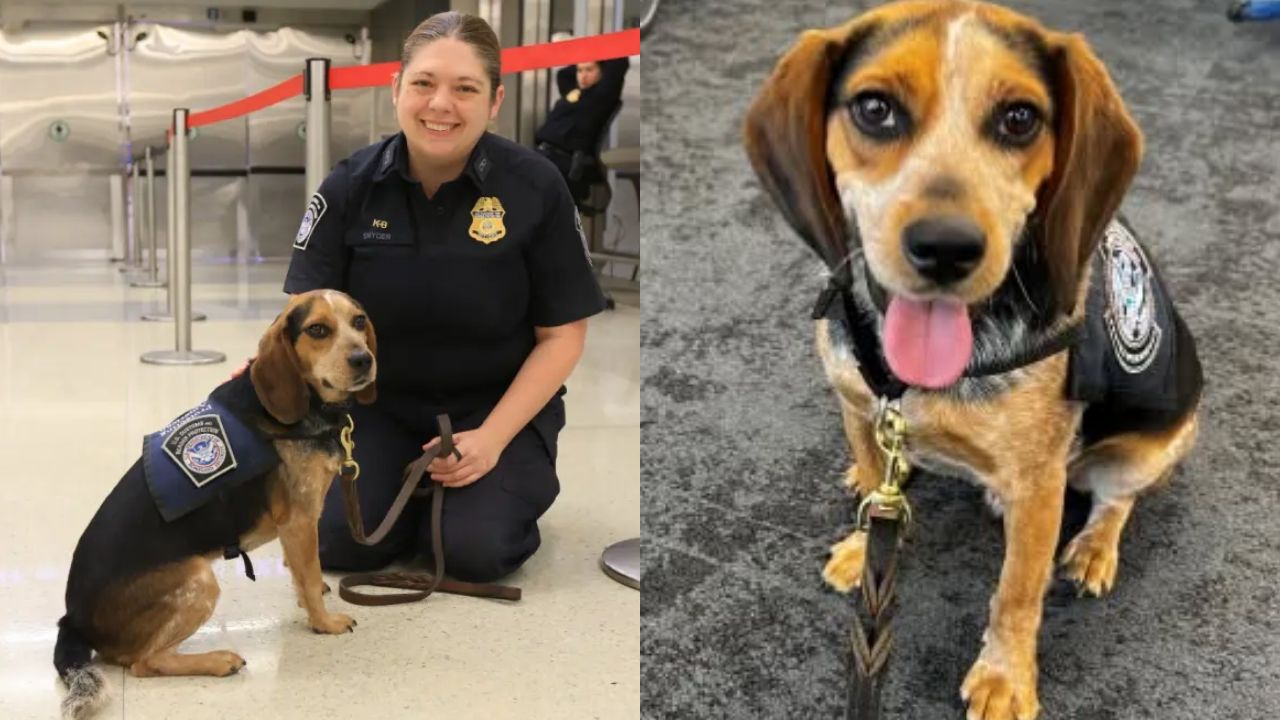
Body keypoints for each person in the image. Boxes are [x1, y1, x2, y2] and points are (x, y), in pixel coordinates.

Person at [281, 11, 606, 582]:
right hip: (376, 407)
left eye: (465, 88)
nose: (441, 104)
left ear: (495, 99)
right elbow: (306, 315)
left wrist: (492, 439)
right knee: (340, 544)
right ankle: (413, 495)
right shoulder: (349, 186)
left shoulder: (536, 188)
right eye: (425, 83)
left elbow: (562, 336)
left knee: (475, 554)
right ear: (396, 89)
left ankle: (473, 499)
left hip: (494, 408)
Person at [535, 55, 630, 202]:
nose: (583, 76)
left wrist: (598, 53)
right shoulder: (575, 93)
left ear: (602, 72)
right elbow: (563, 74)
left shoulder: (601, 97)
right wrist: (587, 60)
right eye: (579, 70)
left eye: (589, 70)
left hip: (563, 160)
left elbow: (618, 64)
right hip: (544, 155)